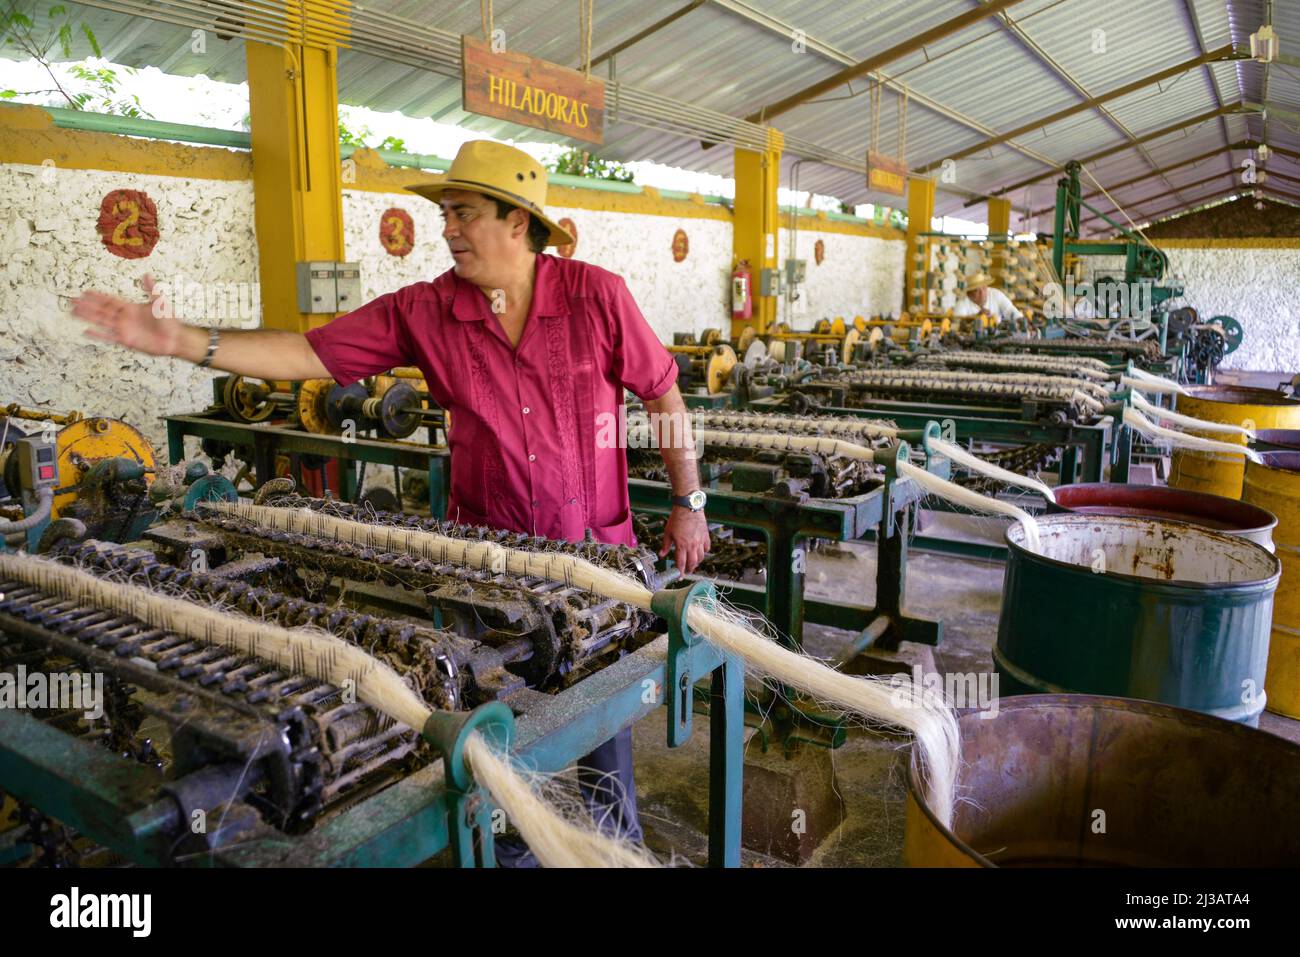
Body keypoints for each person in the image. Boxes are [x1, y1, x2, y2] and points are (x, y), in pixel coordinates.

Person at [70, 138, 712, 864]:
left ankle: (611, 848)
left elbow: (663, 390)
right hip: (486, 573)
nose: (449, 230)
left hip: (597, 560)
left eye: (464, 213)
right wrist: (182, 340)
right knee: (497, 737)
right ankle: (516, 850)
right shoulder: (426, 310)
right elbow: (308, 355)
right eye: (445, 214)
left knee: (604, 731)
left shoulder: (598, 296)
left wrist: (689, 499)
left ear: (517, 222)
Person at [952, 272, 1023, 326]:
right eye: (977, 290)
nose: (982, 292)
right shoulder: (962, 304)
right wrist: (976, 317)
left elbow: (1010, 310)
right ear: (969, 293)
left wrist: (1021, 320)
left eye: (984, 288)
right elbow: (958, 324)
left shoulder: (995, 294)